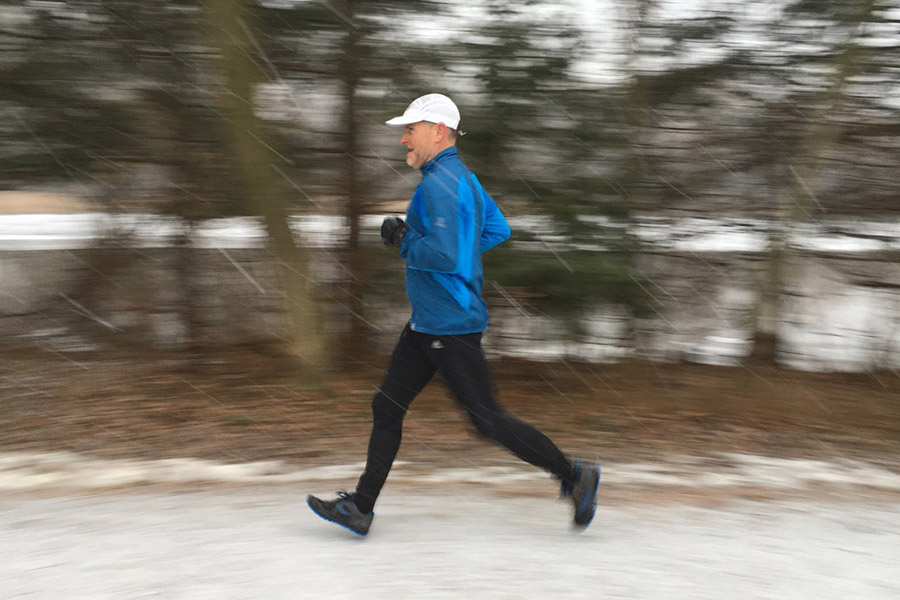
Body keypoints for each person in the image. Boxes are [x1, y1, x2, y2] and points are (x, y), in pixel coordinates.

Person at [306, 93, 600, 537]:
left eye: (410, 129)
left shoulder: (438, 185)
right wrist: (458, 256)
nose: (403, 138)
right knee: (387, 405)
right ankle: (360, 507)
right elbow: (497, 229)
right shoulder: (462, 178)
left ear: (438, 131)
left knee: (487, 420)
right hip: (428, 322)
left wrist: (403, 239)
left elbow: (444, 253)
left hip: (450, 326)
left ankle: (574, 476)